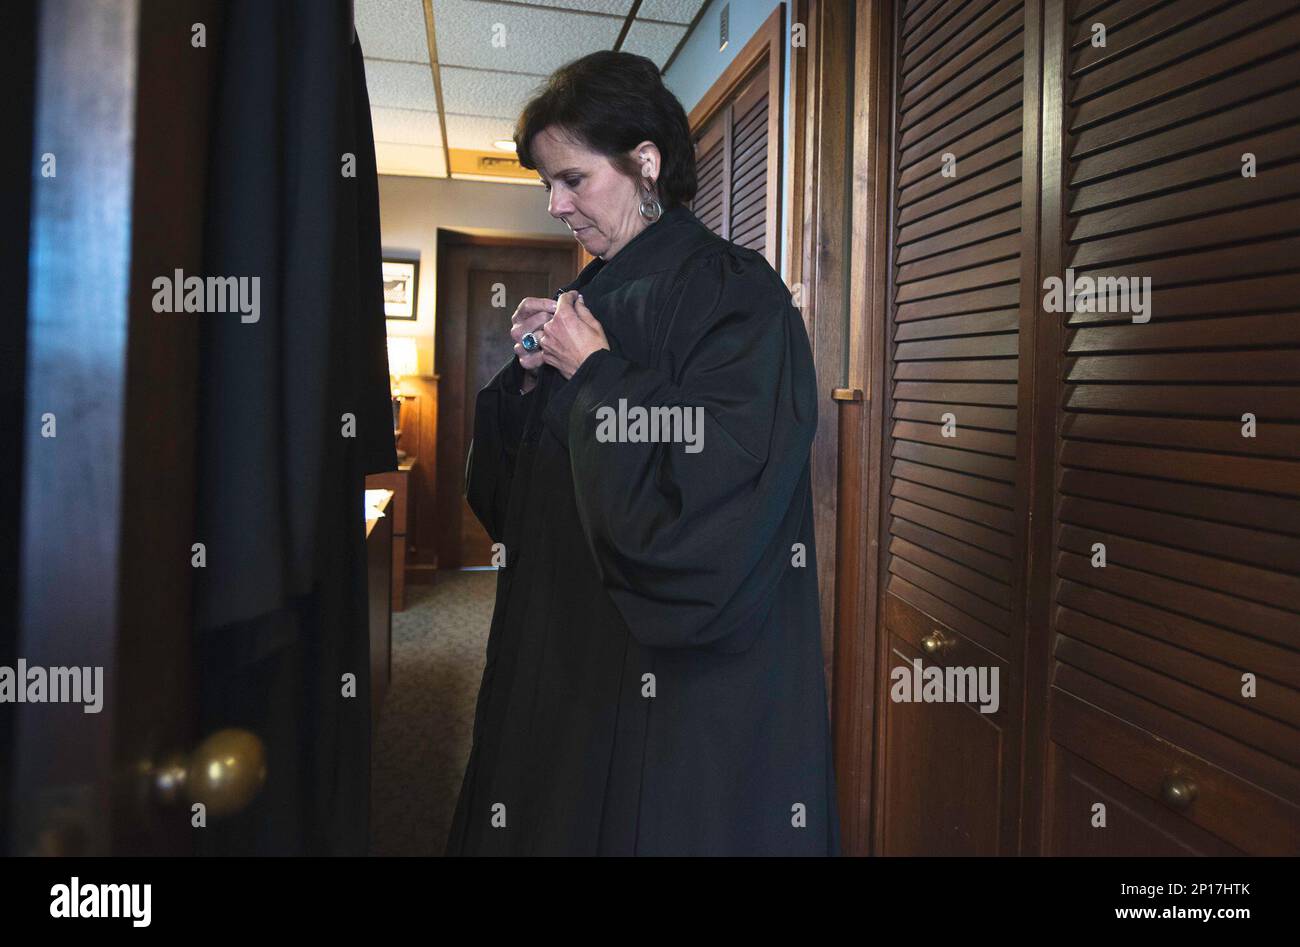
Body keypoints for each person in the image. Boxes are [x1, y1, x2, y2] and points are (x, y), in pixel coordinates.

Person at [445, 50, 838, 856]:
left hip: (669, 691)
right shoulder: (588, 300)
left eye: (573, 180)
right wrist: (524, 387)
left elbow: (712, 497)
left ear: (645, 164)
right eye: (546, 184)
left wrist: (594, 374)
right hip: (554, 652)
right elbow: (513, 502)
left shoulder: (736, 296)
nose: (555, 206)